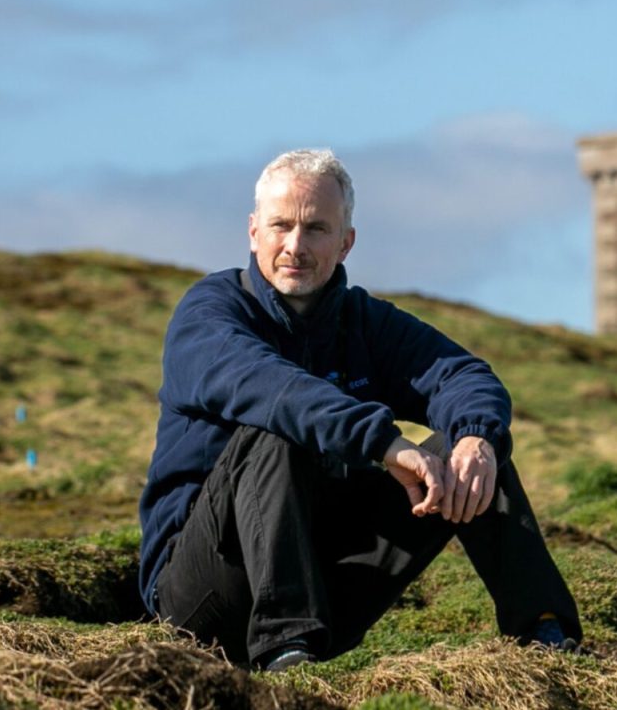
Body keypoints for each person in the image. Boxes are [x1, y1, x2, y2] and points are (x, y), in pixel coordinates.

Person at [137, 148, 581, 671]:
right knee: (276, 430)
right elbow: (273, 390)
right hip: (205, 601)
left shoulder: (363, 322)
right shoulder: (207, 314)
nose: (295, 246)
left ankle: (544, 637)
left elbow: (461, 375)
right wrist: (384, 444)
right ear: (253, 232)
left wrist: (475, 439)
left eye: (316, 229)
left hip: (327, 590)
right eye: (281, 226)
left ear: (346, 242)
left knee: (470, 452)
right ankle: (286, 656)